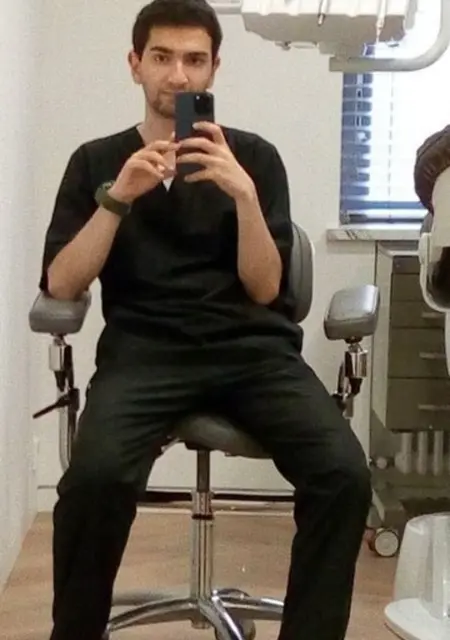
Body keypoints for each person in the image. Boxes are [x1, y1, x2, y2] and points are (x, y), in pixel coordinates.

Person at [39, 1, 372, 638]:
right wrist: (118, 198)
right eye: (162, 57)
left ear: (215, 68)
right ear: (135, 64)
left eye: (195, 60)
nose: (179, 75)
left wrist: (243, 195)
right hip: (143, 354)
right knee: (93, 481)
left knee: (344, 475)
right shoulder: (96, 162)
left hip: (253, 352)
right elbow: (62, 283)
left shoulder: (255, 159)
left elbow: (266, 287)